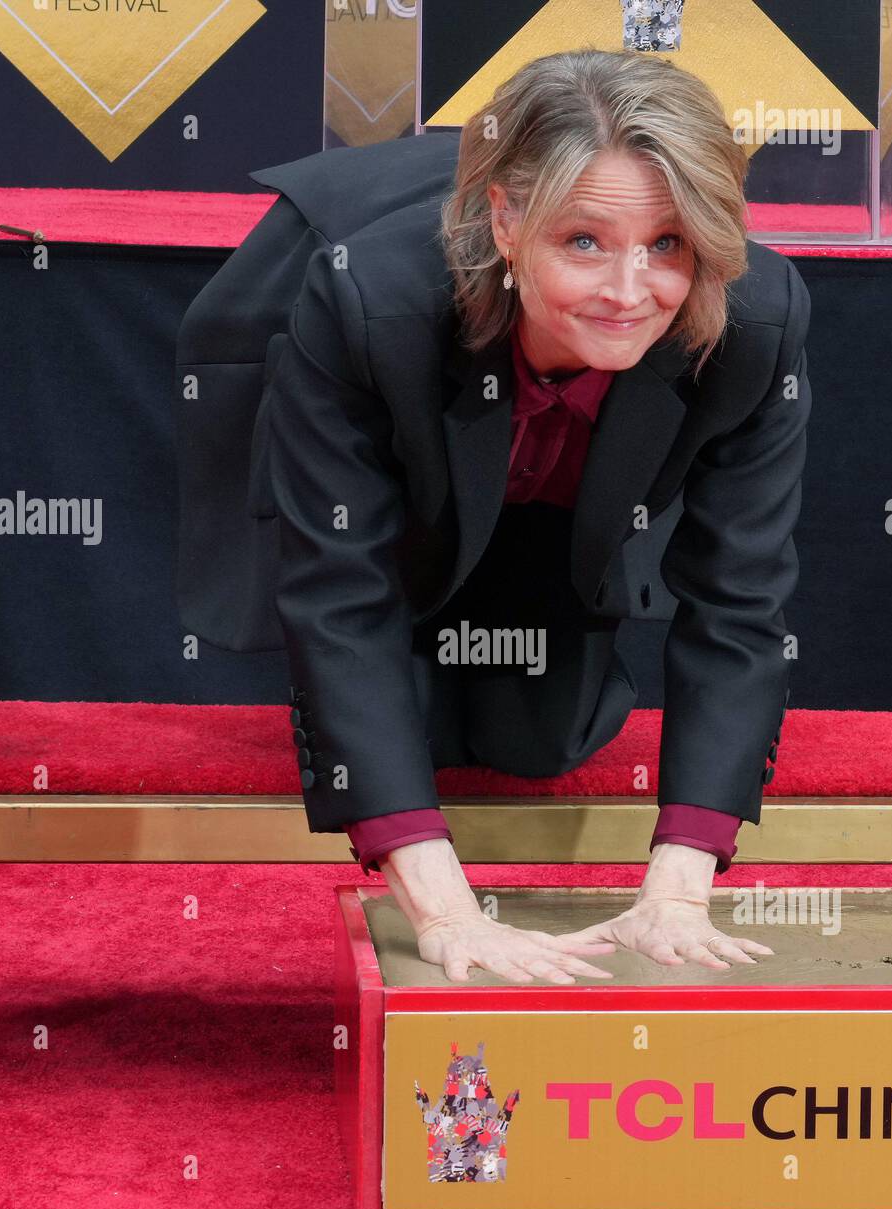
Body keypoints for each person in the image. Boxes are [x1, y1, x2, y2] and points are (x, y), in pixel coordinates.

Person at [267, 48, 810, 984]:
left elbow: (739, 598)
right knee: (392, 733)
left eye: (669, 244)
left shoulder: (753, 321)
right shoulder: (368, 301)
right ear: (508, 221)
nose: (629, 290)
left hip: (556, 510)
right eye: (585, 242)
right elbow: (337, 590)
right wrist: (443, 912)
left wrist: (679, 889)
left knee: (538, 741)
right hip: (407, 476)